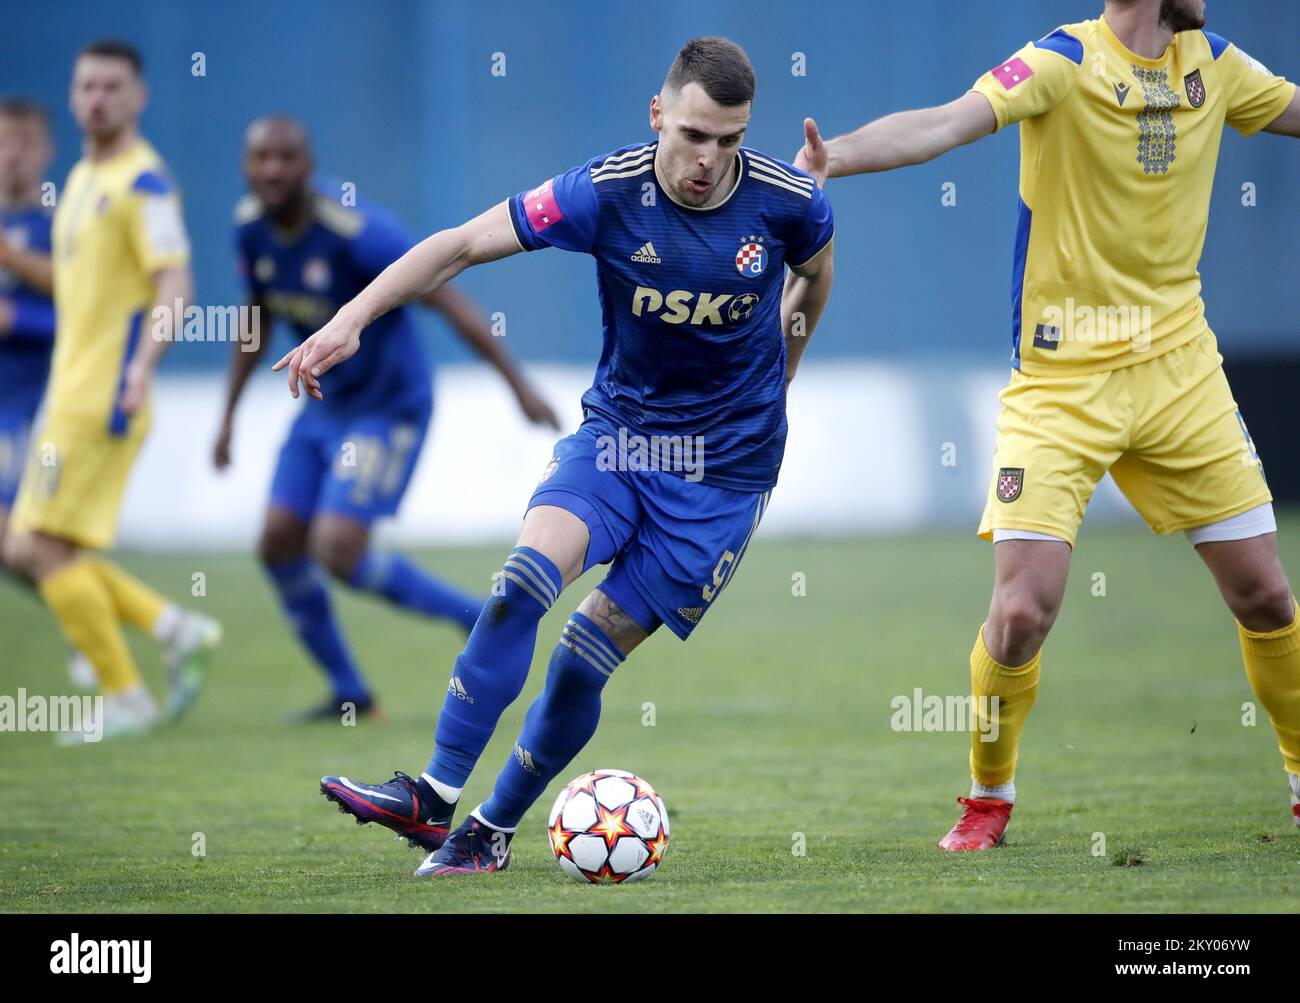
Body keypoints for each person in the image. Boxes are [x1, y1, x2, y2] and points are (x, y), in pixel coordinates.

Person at [279, 37, 835, 875]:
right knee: (520, 583)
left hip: (724, 477)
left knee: (581, 660)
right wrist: (351, 319)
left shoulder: (789, 203)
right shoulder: (603, 193)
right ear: (658, 115)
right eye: (692, 134)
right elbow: (461, 245)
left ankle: (490, 831)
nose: (708, 160)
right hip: (619, 438)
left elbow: (815, 279)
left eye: (729, 141)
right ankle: (432, 796)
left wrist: (783, 371)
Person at [795, 0, 1300, 849]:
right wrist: (833, 157)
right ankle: (987, 797)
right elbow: (946, 124)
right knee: (1022, 612)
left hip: (1183, 374)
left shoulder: (1215, 61)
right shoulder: (1062, 62)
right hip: (1062, 380)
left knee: (1267, 594)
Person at [217, 115, 560, 720]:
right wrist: (227, 417)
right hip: (322, 406)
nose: (271, 170)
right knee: (276, 542)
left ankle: (474, 620)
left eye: (284, 159)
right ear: (246, 166)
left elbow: (450, 298)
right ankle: (350, 691)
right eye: (259, 158)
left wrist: (518, 387)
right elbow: (255, 321)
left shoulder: (355, 231)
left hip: (388, 405)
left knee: (338, 547)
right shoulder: (250, 230)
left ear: (307, 165)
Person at [3, 40, 221, 741]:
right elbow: (79, 289)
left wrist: (141, 365)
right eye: (86, 86)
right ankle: (174, 627)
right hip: (68, 393)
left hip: (101, 396)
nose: (97, 99)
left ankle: (127, 692)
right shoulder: (78, 179)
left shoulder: (144, 182)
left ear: (139, 98)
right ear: (73, 97)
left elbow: (176, 282)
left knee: (32, 547)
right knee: (33, 547)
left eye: (111, 87)